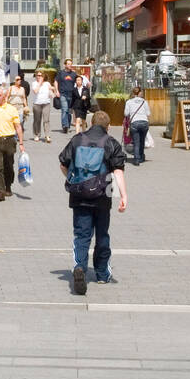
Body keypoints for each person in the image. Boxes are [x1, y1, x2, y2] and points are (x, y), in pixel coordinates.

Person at [59, 110, 129, 295]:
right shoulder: (111, 143)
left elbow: (63, 164)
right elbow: (118, 171)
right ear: (108, 127)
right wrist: (124, 195)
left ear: (90, 123)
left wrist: (75, 180)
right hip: (102, 195)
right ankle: (102, 274)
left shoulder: (76, 140)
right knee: (102, 235)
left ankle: (80, 267)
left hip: (80, 196)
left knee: (82, 235)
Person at [0, 84, 25, 201]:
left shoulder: (12, 110)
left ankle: (8, 186)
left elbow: (18, 127)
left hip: (9, 140)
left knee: (9, 166)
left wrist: (21, 143)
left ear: (4, 96)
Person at [124, 85, 151, 164]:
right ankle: (141, 157)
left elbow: (126, 113)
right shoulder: (144, 101)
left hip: (134, 123)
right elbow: (148, 113)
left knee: (136, 142)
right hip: (144, 122)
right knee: (142, 141)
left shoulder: (129, 102)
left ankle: (136, 159)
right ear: (139, 93)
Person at [31, 71, 55, 143]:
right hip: (37, 104)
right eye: (37, 75)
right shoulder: (34, 83)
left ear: (43, 76)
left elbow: (51, 90)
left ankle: (47, 135)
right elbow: (35, 91)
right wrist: (40, 83)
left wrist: (54, 91)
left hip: (46, 103)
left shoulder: (47, 83)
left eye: (41, 75)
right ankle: (37, 135)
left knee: (46, 120)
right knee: (37, 120)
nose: (39, 77)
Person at [56, 59, 78, 133]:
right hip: (63, 94)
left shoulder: (74, 74)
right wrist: (57, 91)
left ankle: (68, 125)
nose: (70, 65)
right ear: (65, 65)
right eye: (68, 64)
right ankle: (65, 125)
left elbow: (78, 81)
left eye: (71, 64)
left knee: (68, 111)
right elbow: (56, 81)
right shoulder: (61, 73)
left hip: (71, 95)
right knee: (64, 110)